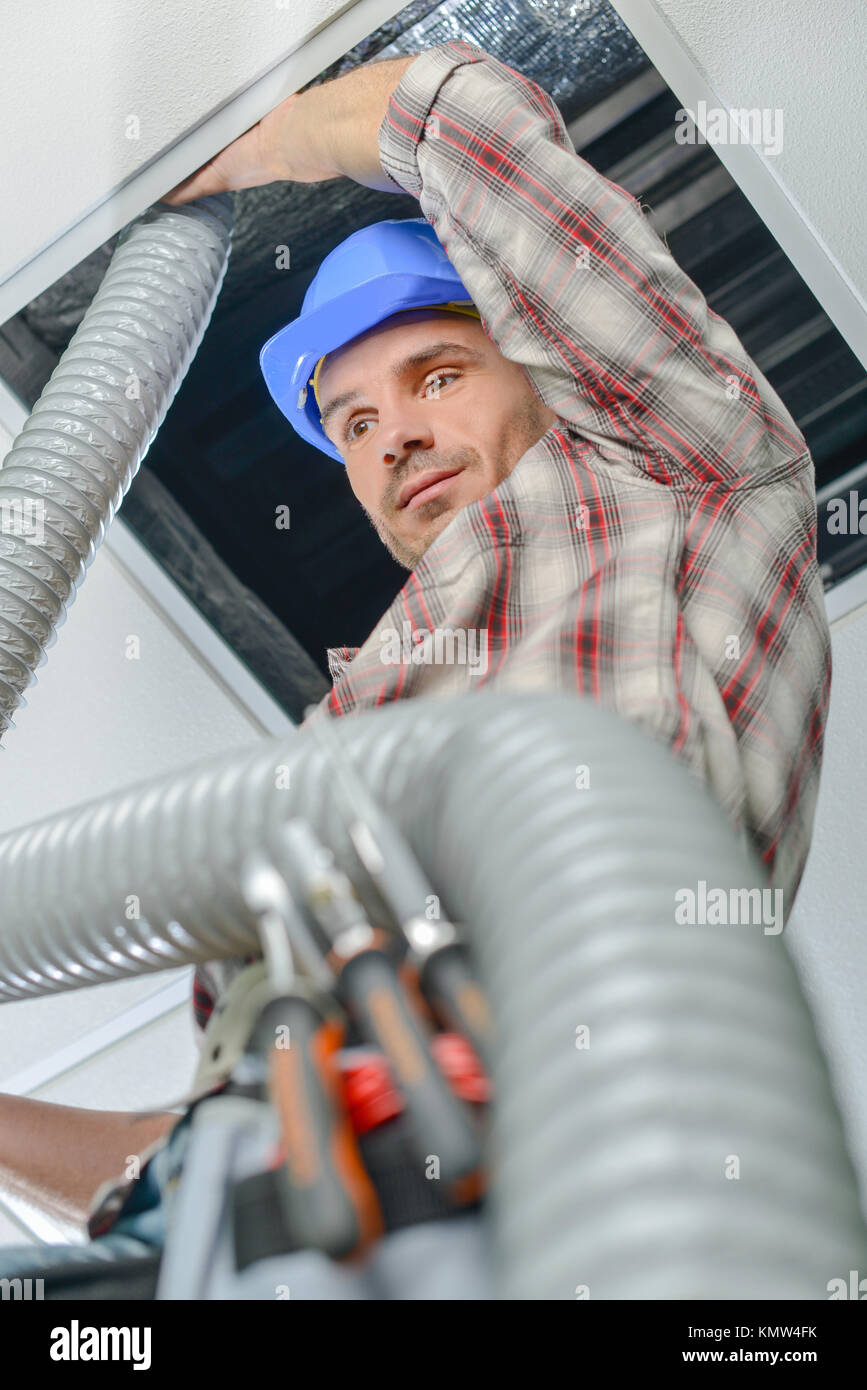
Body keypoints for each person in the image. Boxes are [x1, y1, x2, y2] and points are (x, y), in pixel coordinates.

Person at [0, 40, 830, 1239]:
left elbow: (470, 119)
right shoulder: (343, 735)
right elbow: (199, 1168)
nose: (388, 438)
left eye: (438, 375)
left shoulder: (688, 477)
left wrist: (228, 148)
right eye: (353, 421)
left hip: (556, 1167)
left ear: (546, 371)